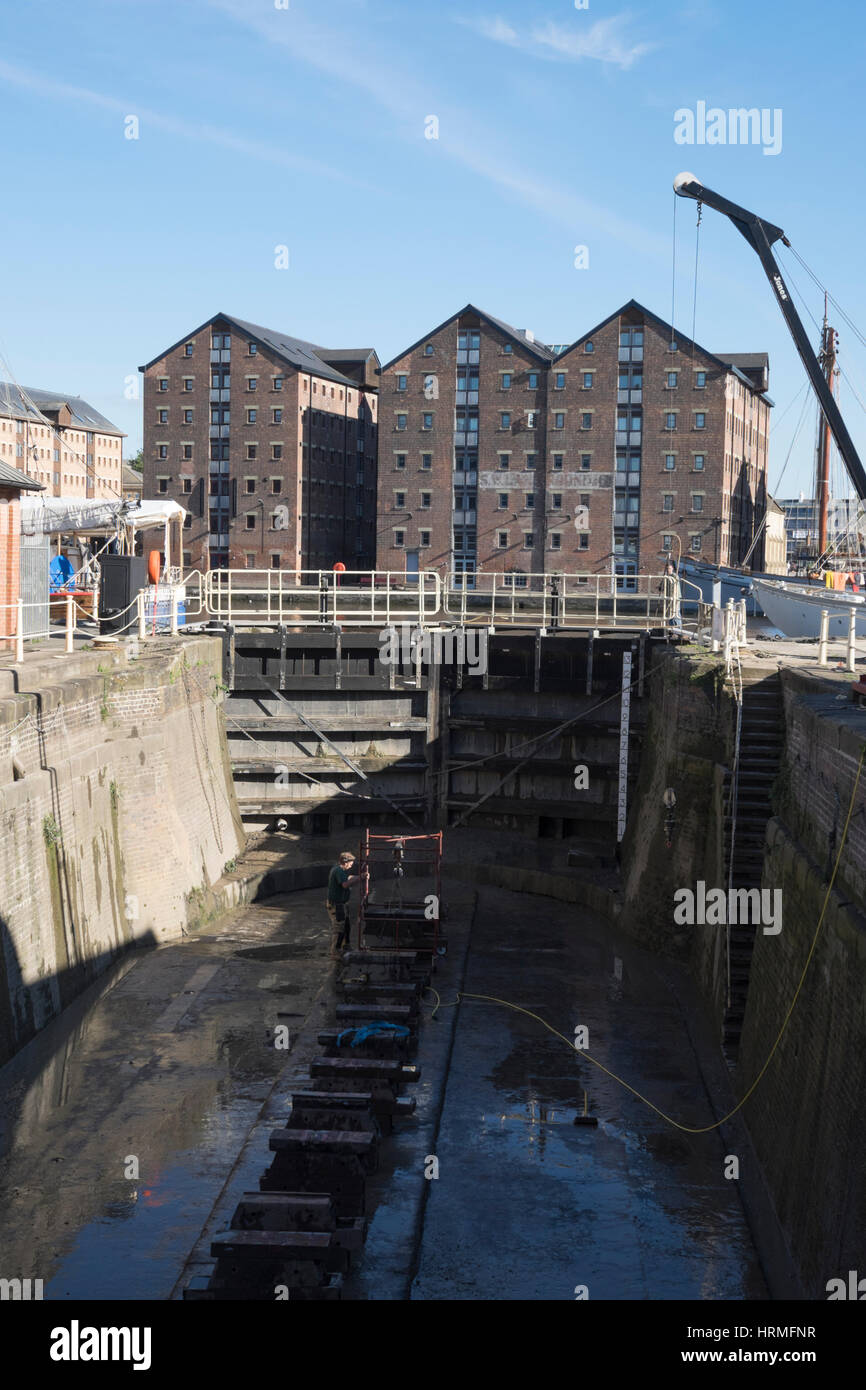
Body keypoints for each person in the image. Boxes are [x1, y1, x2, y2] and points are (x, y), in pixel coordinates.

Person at [326, 851, 359, 959]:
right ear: (345, 862)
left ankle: (345, 946)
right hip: (337, 904)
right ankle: (335, 952)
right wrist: (359, 878)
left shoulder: (341, 870)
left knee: (346, 926)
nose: (351, 865)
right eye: (350, 863)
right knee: (339, 928)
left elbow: (347, 878)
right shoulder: (338, 870)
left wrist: (357, 877)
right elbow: (345, 884)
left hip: (342, 904)